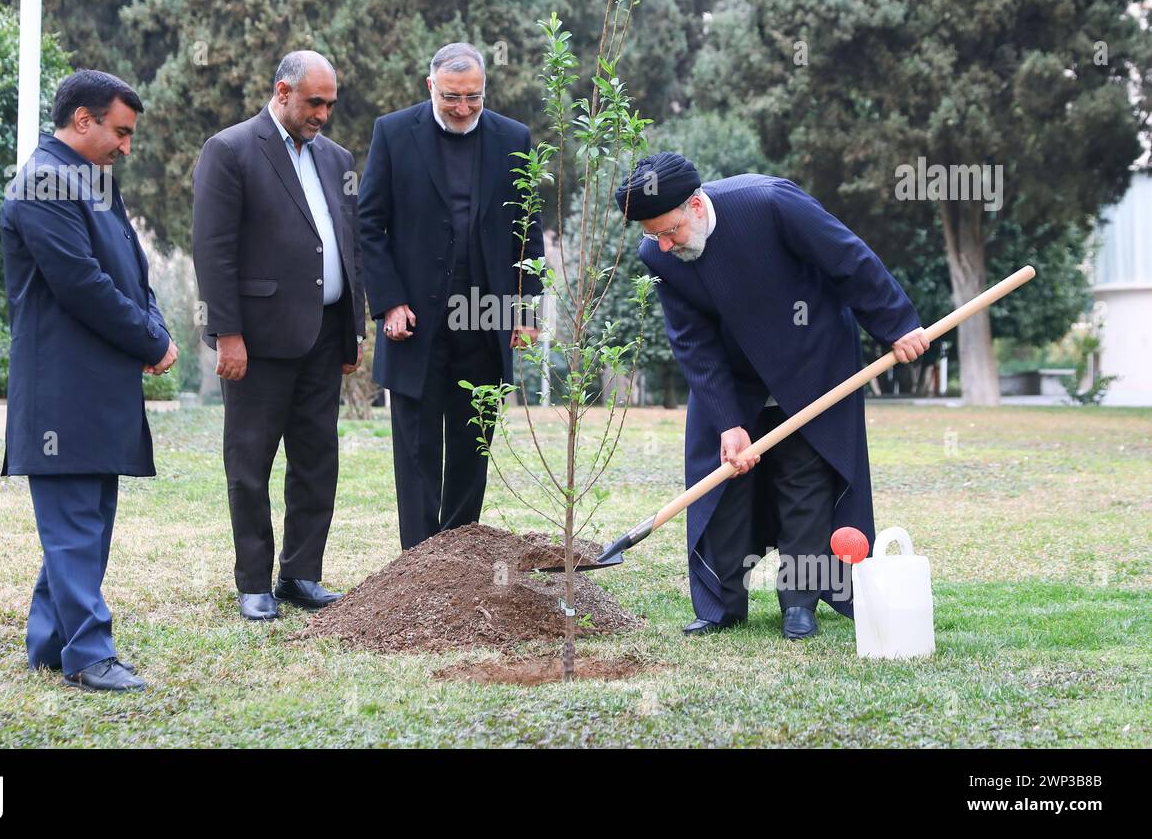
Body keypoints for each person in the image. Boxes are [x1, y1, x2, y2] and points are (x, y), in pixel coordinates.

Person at [616, 152, 929, 640]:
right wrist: (727, 420)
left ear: (696, 206)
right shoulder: (658, 254)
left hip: (811, 359)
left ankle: (800, 606)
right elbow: (692, 342)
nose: (664, 243)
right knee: (724, 483)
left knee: (805, 481)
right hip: (734, 378)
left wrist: (899, 325)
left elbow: (849, 259)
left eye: (670, 230)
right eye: (653, 234)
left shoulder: (769, 202)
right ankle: (721, 606)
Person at [1, 69, 177, 692]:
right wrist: (151, 340)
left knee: (86, 521)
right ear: (83, 120)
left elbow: (130, 269)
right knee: (74, 525)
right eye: (120, 132)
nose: (126, 146)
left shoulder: (92, 180)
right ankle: (88, 655)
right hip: (62, 390)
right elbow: (82, 284)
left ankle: (49, 644)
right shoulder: (46, 181)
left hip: (98, 386)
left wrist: (154, 323)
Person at [192, 51, 364, 621]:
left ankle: (301, 574)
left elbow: (347, 246)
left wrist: (351, 331)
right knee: (250, 461)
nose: (322, 114)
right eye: (314, 102)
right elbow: (213, 251)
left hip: (323, 336)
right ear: (282, 90)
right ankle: (253, 583)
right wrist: (228, 334)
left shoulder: (337, 158)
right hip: (258, 342)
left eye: (330, 104)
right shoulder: (231, 149)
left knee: (318, 460)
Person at [358, 42, 543, 550]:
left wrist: (526, 309)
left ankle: (459, 555)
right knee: (416, 446)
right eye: (451, 97)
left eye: (474, 98)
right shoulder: (393, 133)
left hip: (485, 316)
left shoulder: (514, 138)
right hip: (414, 317)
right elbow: (370, 225)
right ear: (430, 87)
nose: (463, 108)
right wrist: (389, 301)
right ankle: (418, 561)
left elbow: (529, 230)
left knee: (471, 442)